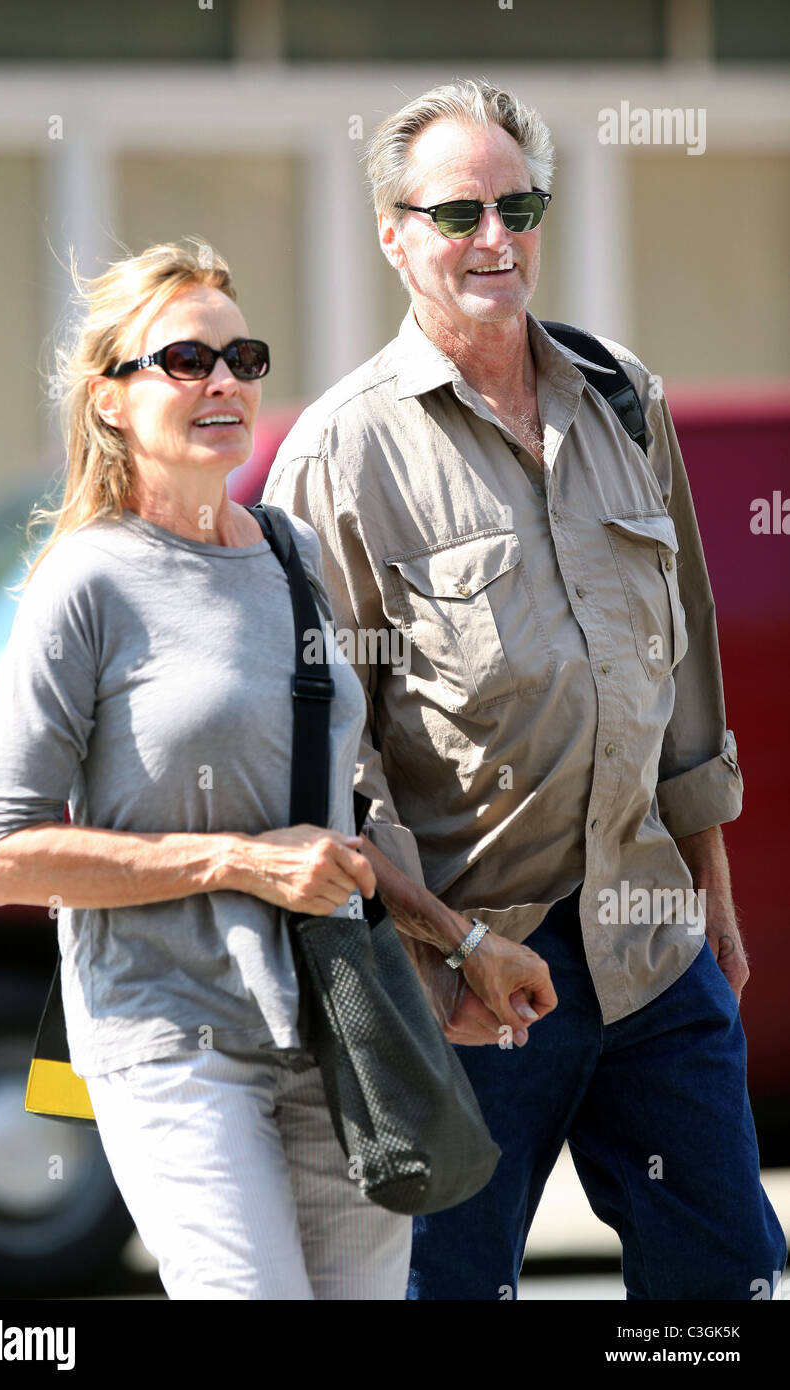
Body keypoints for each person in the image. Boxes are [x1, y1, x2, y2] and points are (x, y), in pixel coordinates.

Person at [263, 79, 787, 1300]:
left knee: (724, 1286)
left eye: (518, 204)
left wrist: (709, 888)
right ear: (392, 234)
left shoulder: (621, 397)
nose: (493, 237)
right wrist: (447, 947)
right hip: (466, 974)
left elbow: (687, 652)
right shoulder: (339, 455)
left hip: (653, 944)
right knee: (448, 1294)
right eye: (457, 213)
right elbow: (332, 767)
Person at [0, 238, 421, 1300]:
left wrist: (462, 940)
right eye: (184, 360)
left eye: (241, 356)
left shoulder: (292, 553)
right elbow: (2, 854)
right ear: (111, 399)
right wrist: (238, 861)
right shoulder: (86, 582)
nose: (223, 381)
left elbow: (329, 814)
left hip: (333, 1023)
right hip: (170, 1032)